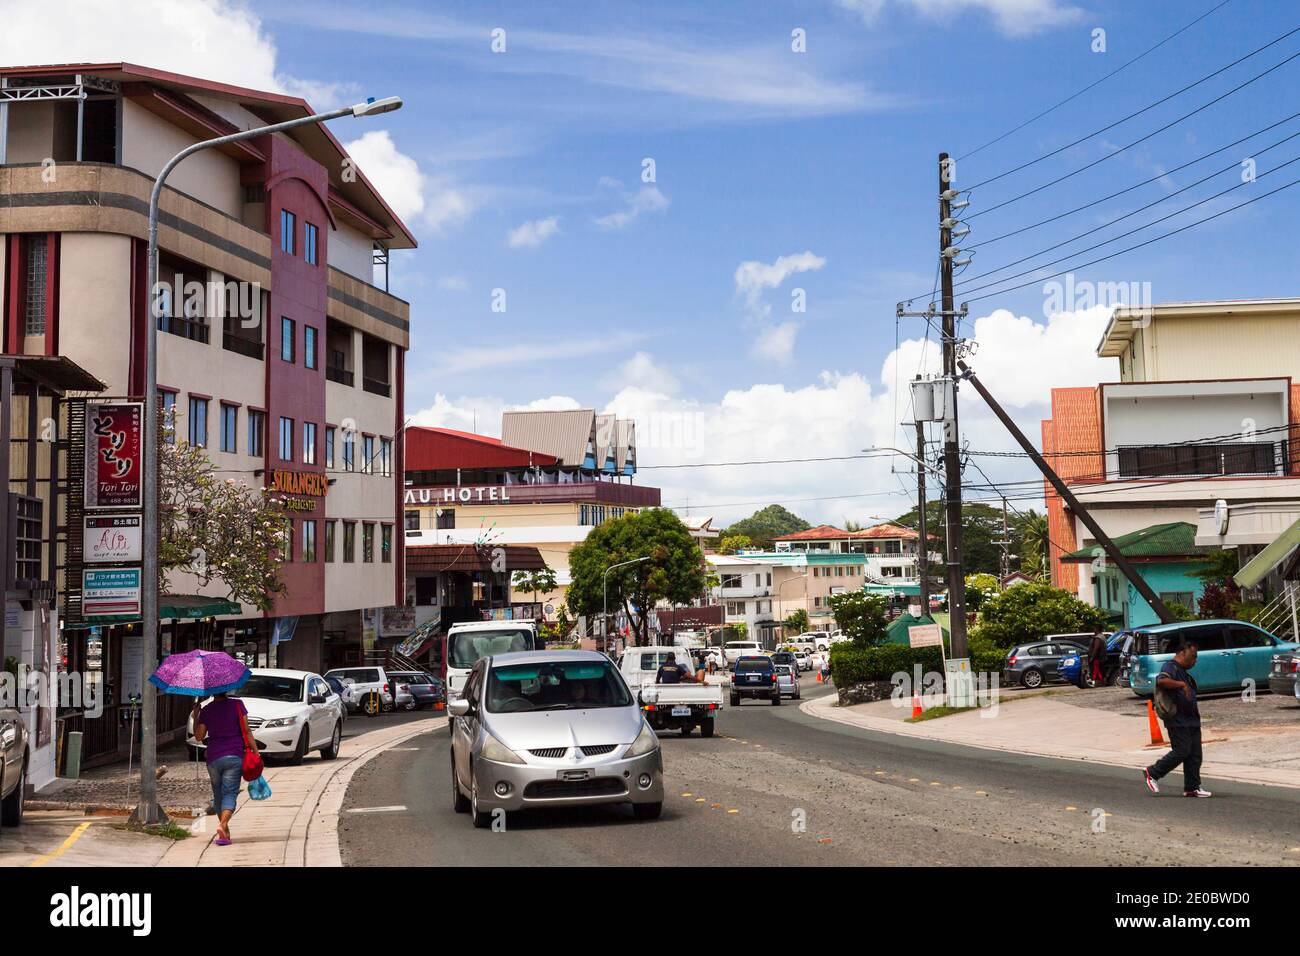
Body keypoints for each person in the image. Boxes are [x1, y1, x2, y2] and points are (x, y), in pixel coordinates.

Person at [1143, 641, 1211, 798]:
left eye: (1196, 658)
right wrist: (1181, 684)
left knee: (1195, 755)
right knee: (1182, 750)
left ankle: (1192, 787)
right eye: (1192, 657)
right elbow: (1161, 681)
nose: (1195, 661)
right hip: (1178, 719)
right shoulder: (1171, 667)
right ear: (1182, 653)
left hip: (1191, 719)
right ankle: (1153, 772)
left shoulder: (1183, 671)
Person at [192, 691, 255, 845]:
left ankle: (224, 834)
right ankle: (223, 825)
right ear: (227, 690)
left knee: (218, 795)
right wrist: (256, 752)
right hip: (234, 754)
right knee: (230, 793)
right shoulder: (237, 705)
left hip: (214, 758)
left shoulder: (206, 710)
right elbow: (246, 730)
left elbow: (199, 737)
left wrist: (196, 717)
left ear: (212, 693)